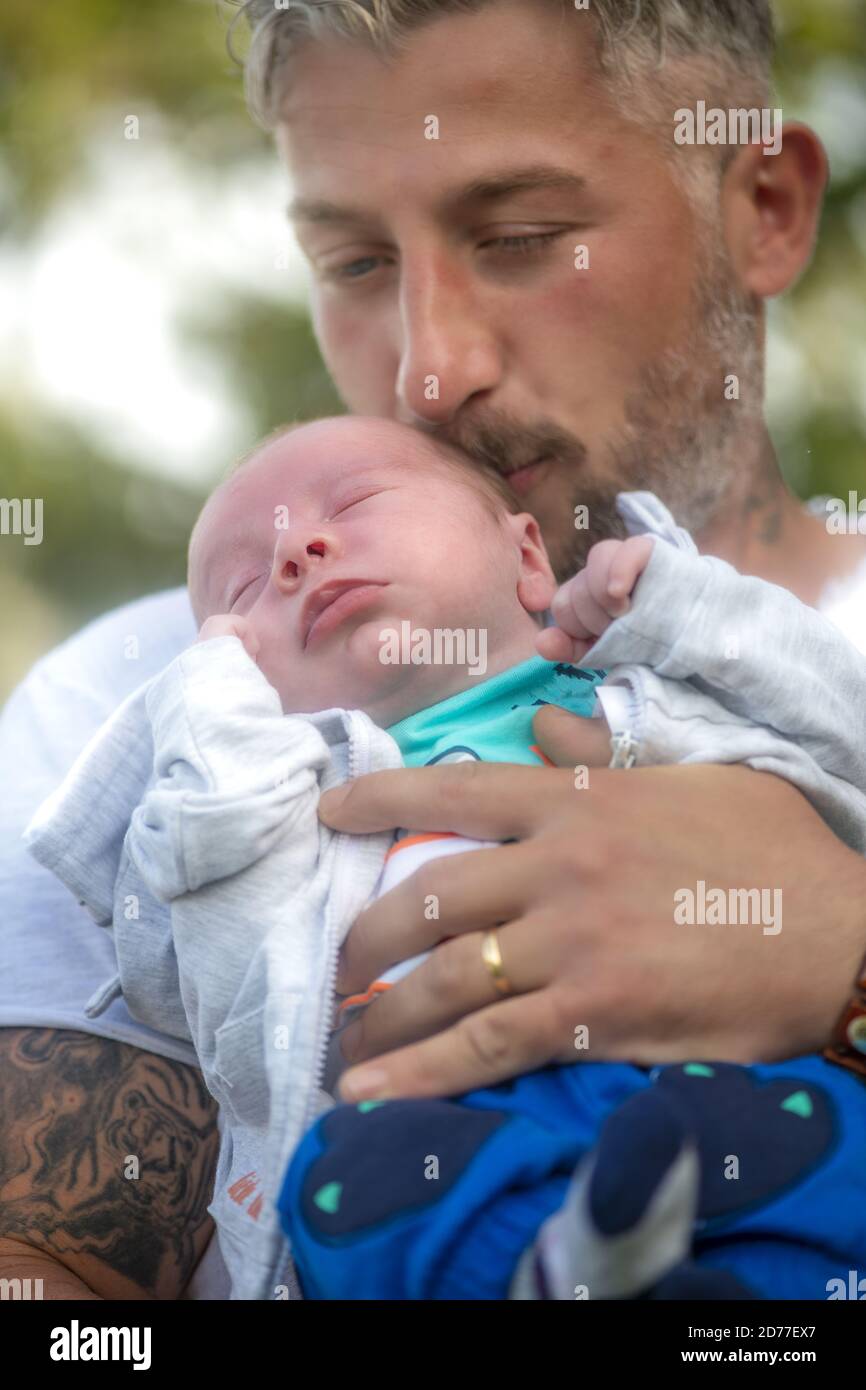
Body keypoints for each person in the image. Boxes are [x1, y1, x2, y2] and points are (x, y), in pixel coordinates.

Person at [2, 0, 866, 1300]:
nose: (426, 370)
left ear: (765, 208)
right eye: (352, 262)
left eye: (520, 238)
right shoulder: (153, 705)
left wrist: (841, 954)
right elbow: (57, 1277)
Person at [26, 415, 866, 1300]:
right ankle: (550, 1272)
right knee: (348, 1176)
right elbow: (222, 963)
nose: (296, 554)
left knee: (818, 1150)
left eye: (354, 502)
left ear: (530, 559)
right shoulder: (307, 821)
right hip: (452, 1121)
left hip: (729, 1076)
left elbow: (840, 732)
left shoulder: (663, 698)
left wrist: (682, 606)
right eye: (243, 591)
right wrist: (213, 719)